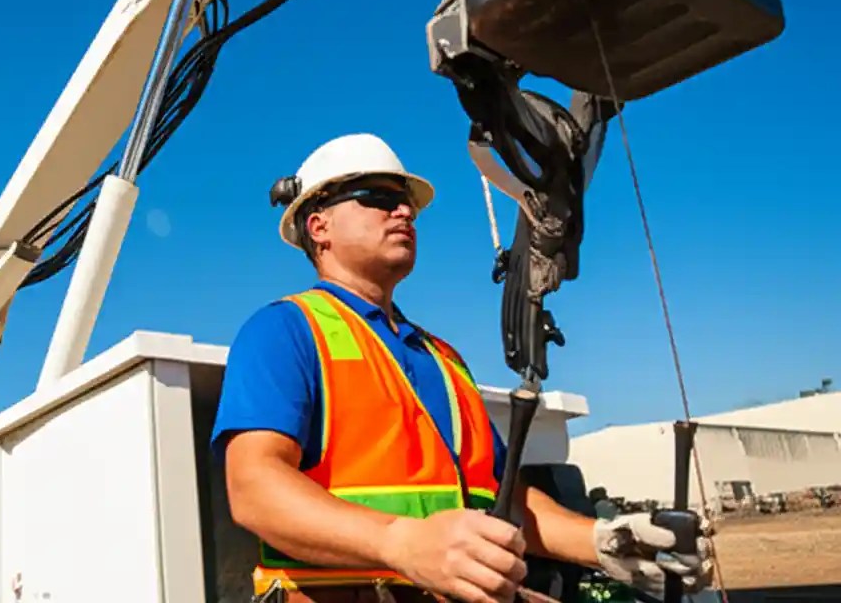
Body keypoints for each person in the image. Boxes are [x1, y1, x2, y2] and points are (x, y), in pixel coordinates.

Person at [210, 134, 715, 603]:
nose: (405, 210)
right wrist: (402, 543)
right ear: (319, 226)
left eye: (406, 202)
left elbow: (502, 501)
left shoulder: (444, 358)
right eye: (380, 197)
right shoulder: (285, 330)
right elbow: (254, 490)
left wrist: (605, 541)